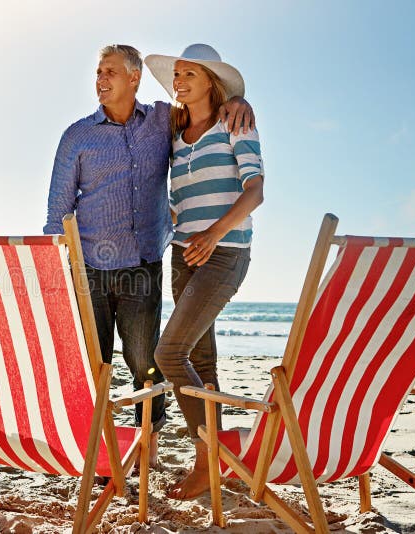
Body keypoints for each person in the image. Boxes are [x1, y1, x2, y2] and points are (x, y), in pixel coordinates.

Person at [44, 44, 254, 467]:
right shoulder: (77, 135)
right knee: (95, 362)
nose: (100, 80)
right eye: (97, 72)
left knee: (146, 361)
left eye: (109, 72)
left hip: (143, 264)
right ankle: (101, 449)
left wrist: (237, 99)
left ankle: (149, 443)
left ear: (134, 77)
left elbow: (203, 106)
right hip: (89, 267)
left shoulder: (162, 120)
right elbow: (57, 212)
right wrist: (60, 272)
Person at [144, 43, 264, 497]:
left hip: (226, 250)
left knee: (168, 354)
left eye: (189, 73)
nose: (178, 80)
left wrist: (213, 234)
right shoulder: (174, 132)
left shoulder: (235, 122)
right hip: (183, 254)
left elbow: (255, 191)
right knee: (199, 358)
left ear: (212, 82)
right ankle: (206, 464)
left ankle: (213, 450)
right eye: (176, 73)